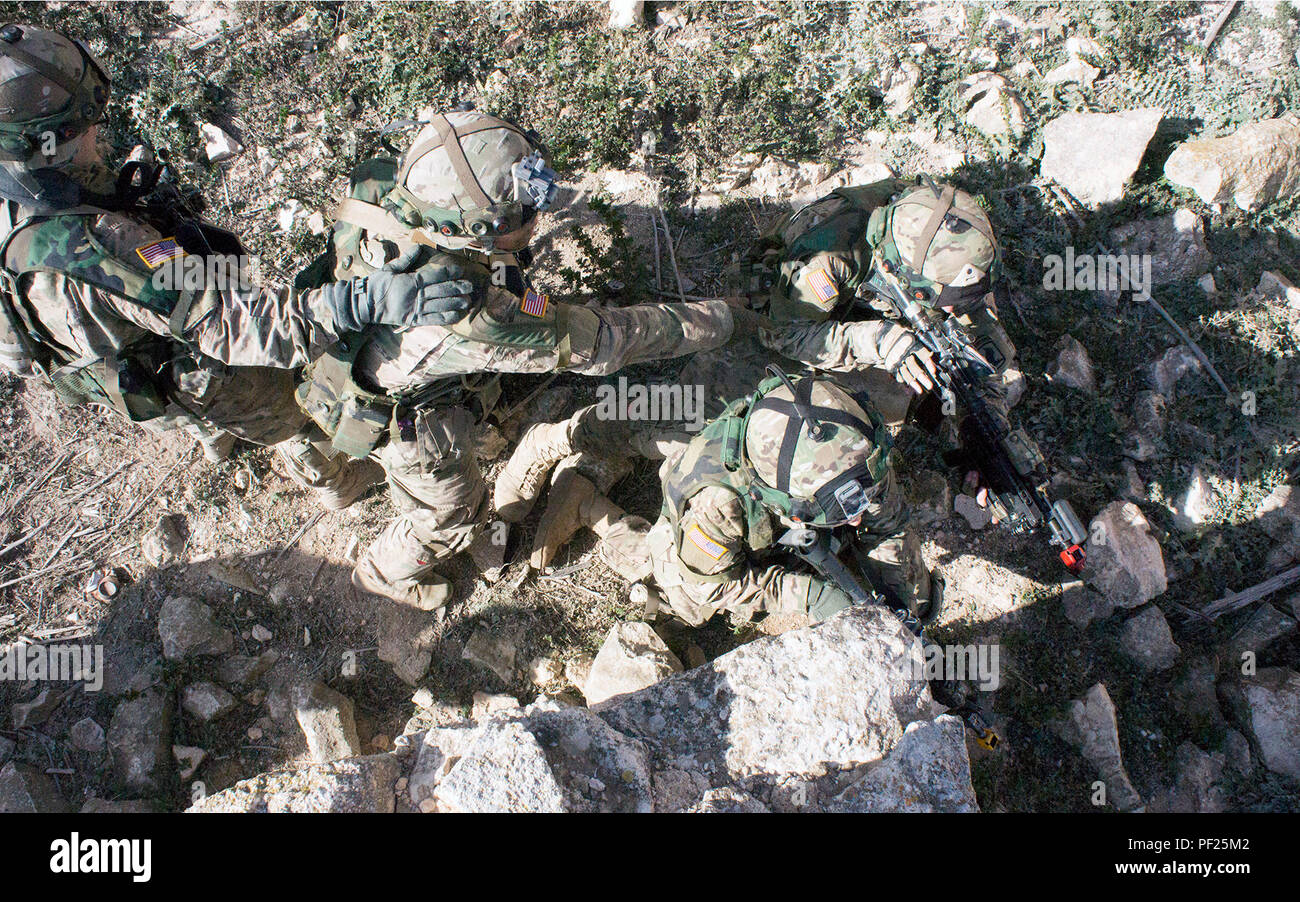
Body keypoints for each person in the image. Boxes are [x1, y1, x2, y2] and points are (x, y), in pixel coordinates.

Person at [0, 24, 474, 509]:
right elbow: (233, 323)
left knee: (202, 408)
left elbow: (18, 357)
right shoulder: (104, 246)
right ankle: (332, 481)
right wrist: (363, 302)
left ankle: (213, 435)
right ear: (43, 145)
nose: (98, 133)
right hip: (200, 374)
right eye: (82, 127)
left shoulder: (18, 199)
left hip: (130, 366)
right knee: (295, 410)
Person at [288, 108, 734, 610]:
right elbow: (606, 342)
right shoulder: (468, 311)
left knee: (320, 421)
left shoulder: (394, 184)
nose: (537, 215)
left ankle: (321, 465)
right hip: (395, 414)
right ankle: (381, 574)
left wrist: (525, 295)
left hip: (328, 358)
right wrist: (723, 319)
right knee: (454, 514)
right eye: (522, 212)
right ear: (477, 225)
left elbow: (515, 294)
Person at [517, 370, 937, 628]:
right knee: (686, 599)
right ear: (783, 500)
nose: (857, 517)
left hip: (748, 462)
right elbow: (718, 588)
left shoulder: (849, 450)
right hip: (705, 488)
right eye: (841, 509)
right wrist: (810, 597)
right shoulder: (716, 506)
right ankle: (585, 502)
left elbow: (887, 522)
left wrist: (910, 600)